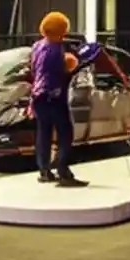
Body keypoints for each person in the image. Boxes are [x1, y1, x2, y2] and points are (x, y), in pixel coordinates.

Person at [30, 11, 88, 187]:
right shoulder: (56, 50)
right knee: (65, 133)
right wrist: (73, 64)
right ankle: (63, 171)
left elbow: (34, 69)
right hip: (54, 96)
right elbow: (59, 73)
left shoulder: (37, 46)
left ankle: (44, 171)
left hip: (38, 96)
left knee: (44, 133)